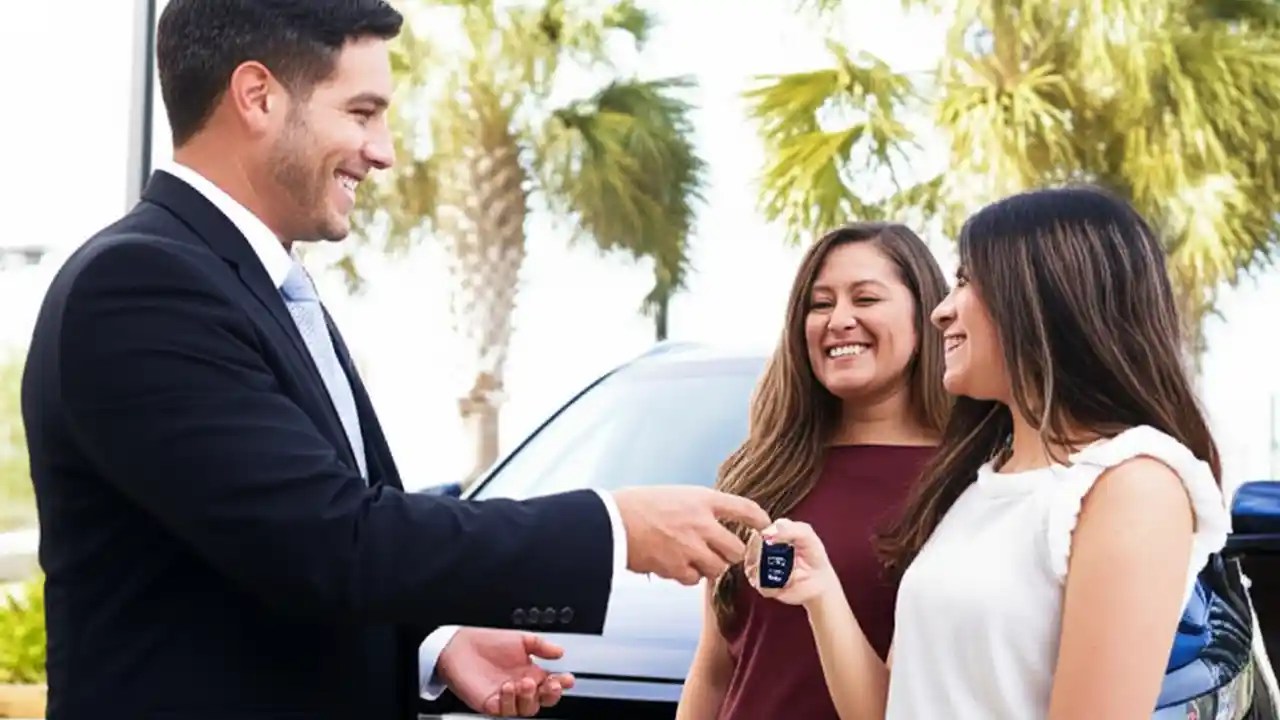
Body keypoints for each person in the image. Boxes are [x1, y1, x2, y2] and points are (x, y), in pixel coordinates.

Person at [19, 2, 769, 719]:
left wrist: (433, 644)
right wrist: (616, 528)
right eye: (361, 112)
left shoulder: (257, 286)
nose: (383, 151)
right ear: (257, 97)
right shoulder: (141, 288)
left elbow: (269, 559)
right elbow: (331, 541)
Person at [746, 186, 1232, 719]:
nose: (941, 312)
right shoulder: (976, 486)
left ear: (1043, 297)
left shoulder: (1132, 484)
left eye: (965, 282)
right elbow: (892, 711)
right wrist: (820, 592)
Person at [676, 223, 950, 719]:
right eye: (820, 304)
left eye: (865, 299)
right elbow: (714, 669)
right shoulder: (756, 473)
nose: (839, 320)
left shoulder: (966, 478)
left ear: (925, 312)